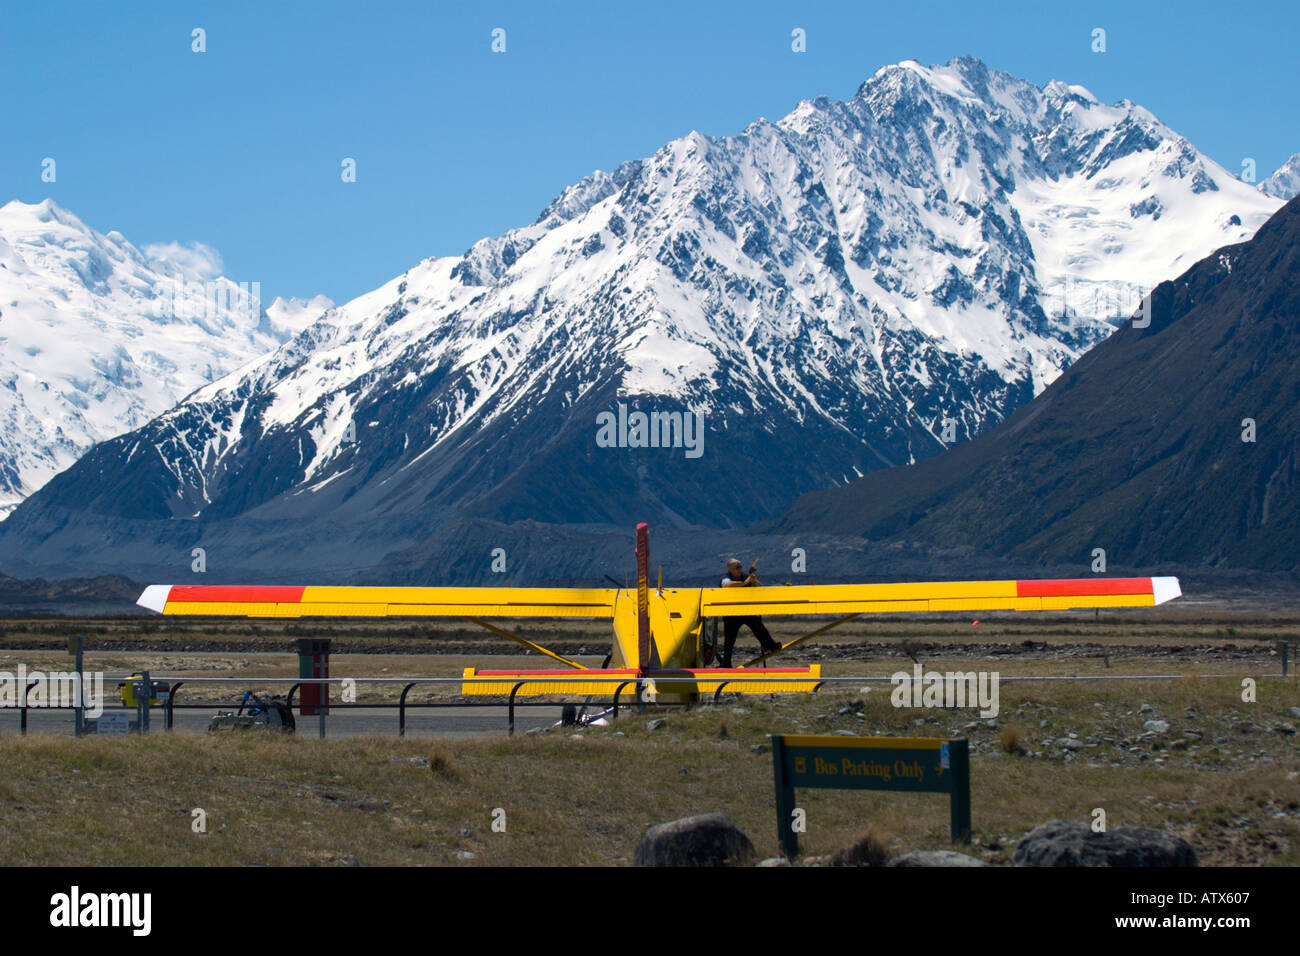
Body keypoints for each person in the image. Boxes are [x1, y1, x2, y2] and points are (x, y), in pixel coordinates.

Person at [717, 558, 781, 667]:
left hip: (745, 610)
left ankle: (770, 646)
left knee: (759, 627)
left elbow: (759, 587)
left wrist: (754, 581)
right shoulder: (726, 578)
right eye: (737, 567)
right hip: (731, 613)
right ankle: (726, 662)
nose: (740, 569)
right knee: (729, 640)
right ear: (731, 569)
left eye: (740, 567)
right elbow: (727, 585)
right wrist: (745, 583)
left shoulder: (745, 576)